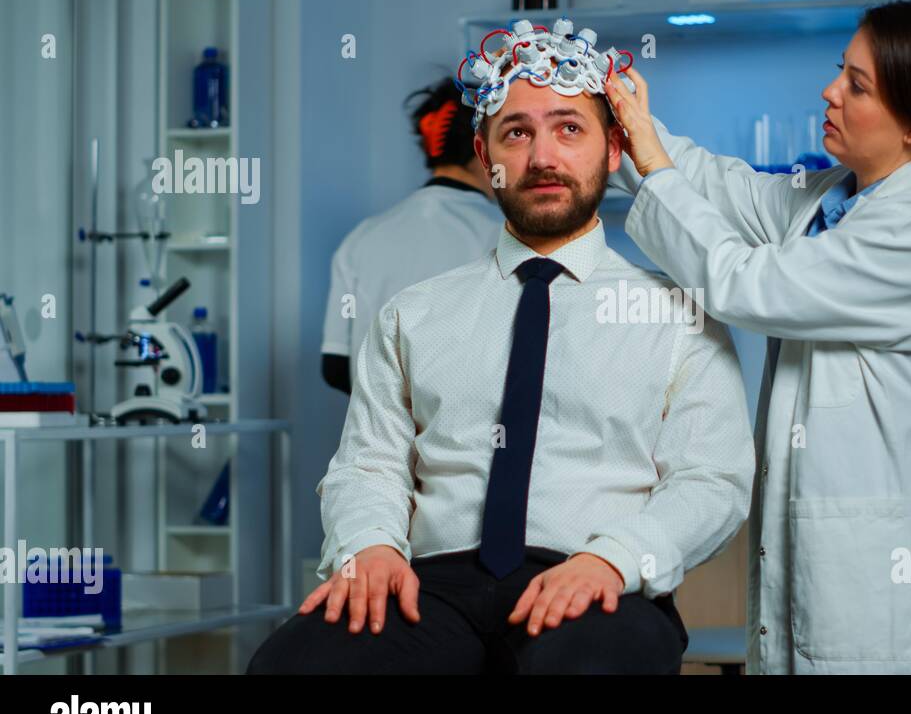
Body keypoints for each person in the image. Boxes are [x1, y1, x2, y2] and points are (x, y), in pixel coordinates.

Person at [248, 42, 754, 674]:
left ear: (614, 149)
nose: (543, 157)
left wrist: (615, 558)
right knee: (294, 665)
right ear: (486, 157)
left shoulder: (681, 317)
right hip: (429, 586)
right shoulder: (414, 313)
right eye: (517, 133)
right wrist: (370, 547)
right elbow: (368, 465)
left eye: (570, 128)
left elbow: (712, 482)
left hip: (594, 578)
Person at [602, 0, 911, 674]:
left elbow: (744, 283)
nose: (830, 91)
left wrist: (646, 154)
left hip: (897, 584)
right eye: (839, 70)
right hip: (843, 564)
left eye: (858, 84)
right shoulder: (836, 198)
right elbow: (728, 189)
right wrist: (623, 117)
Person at [321, 78, 502, 395]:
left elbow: (335, 367)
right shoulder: (505, 236)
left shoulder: (362, 238)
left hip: (374, 441)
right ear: (482, 147)